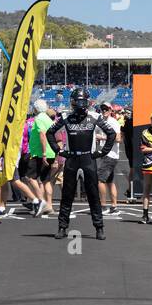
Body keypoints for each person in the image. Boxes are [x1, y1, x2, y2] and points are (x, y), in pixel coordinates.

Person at [46, 86, 117, 240]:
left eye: (81, 101)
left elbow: (111, 133)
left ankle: (99, 228)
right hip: (72, 159)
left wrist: (101, 152)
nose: (79, 104)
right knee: (67, 195)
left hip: (88, 159)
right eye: (77, 101)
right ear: (73, 102)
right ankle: (62, 227)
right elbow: (49, 133)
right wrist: (59, 151)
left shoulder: (94, 117)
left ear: (87, 102)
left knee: (93, 195)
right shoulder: (66, 117)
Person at [95, 104, 122, 214]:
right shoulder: (101, 121)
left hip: (110, 154)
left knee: (100, 180)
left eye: (106, 109)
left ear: (111, 110)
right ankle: (114, 206)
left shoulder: (113, 122)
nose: (104, 111)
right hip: (105, 154)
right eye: (102, 109)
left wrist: (102, 138)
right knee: (110, 181)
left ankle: (103, 205)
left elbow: (118, 138)